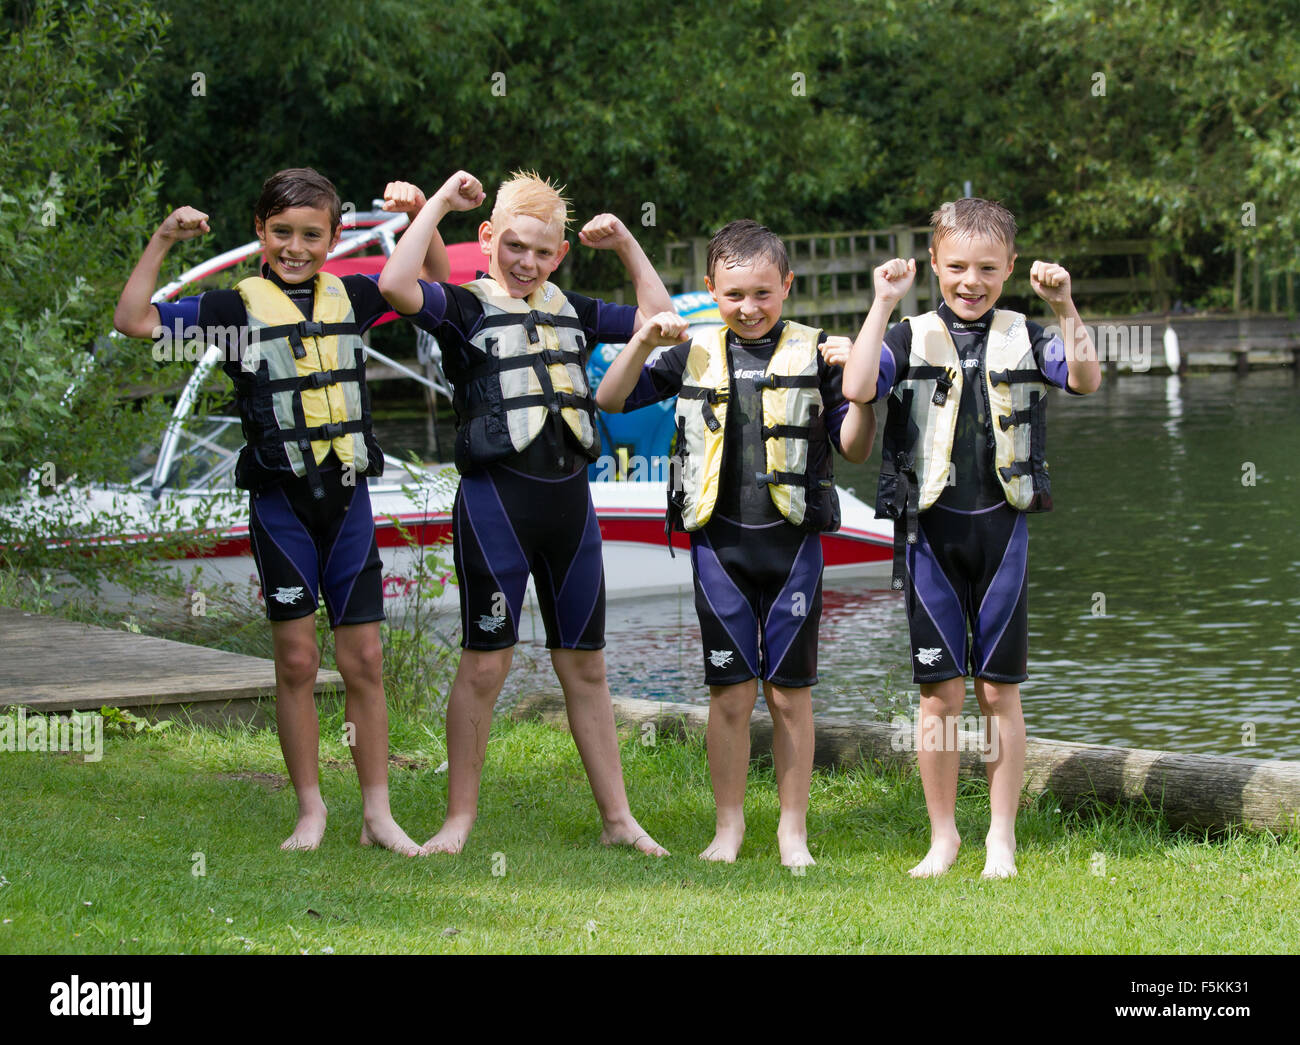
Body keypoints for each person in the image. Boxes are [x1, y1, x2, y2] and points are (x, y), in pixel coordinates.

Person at [114, 168, 448, 854]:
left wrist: (427, 215)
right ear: (260, 233)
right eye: (283, 233)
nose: (297, 246)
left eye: (311, 235)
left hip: (348, 500)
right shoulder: (233, 313)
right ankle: (310, 809)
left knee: (366, 659)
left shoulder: (358, 295)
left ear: (330, 238)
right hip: (280, 504)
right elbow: (135, 321)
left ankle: (378, 814)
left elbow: (436, 290)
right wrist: (163, 238)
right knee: (296, 659)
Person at [378, 169, 671, 856]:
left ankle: (619, 821)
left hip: (571, 508)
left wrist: (628, 243)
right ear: (486, 240)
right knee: (486, 666)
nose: (526, 262)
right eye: (513, 246)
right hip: (494, 506)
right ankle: (457, 822)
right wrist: (441, 202)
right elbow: (395, 286)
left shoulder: (574, 309)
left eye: (542, 252)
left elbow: (665, 324)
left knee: (587, 666)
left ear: (560, 256)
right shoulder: (463, 308)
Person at [595, 220, 875, 867]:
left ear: (787, 287)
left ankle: (792, 831)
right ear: (710, 291)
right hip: (719, 549)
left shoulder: (817, 354)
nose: (749, 308)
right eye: (734, 295)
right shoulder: (689, 351)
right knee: (730, 695)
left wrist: (858, 384)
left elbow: (856, 445)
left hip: (793, 548)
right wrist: (642, 339)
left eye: (763, 294)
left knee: (789, 694)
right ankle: (728, 828)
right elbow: (609, 400)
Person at [841, 197, 1101, 878]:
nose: (971, 281)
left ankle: (1002, 837)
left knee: (999, 692)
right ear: (934, 264)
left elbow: (1085, 377)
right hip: (931, 535)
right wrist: (880, 302)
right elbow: (857, 383)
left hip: (1002, 533)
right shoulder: (906, 333)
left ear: (1010, 266)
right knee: (940, 695)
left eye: (988, 267)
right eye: (957, 266)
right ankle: (944, 835)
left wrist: (1067, 306)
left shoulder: (1026, 332)